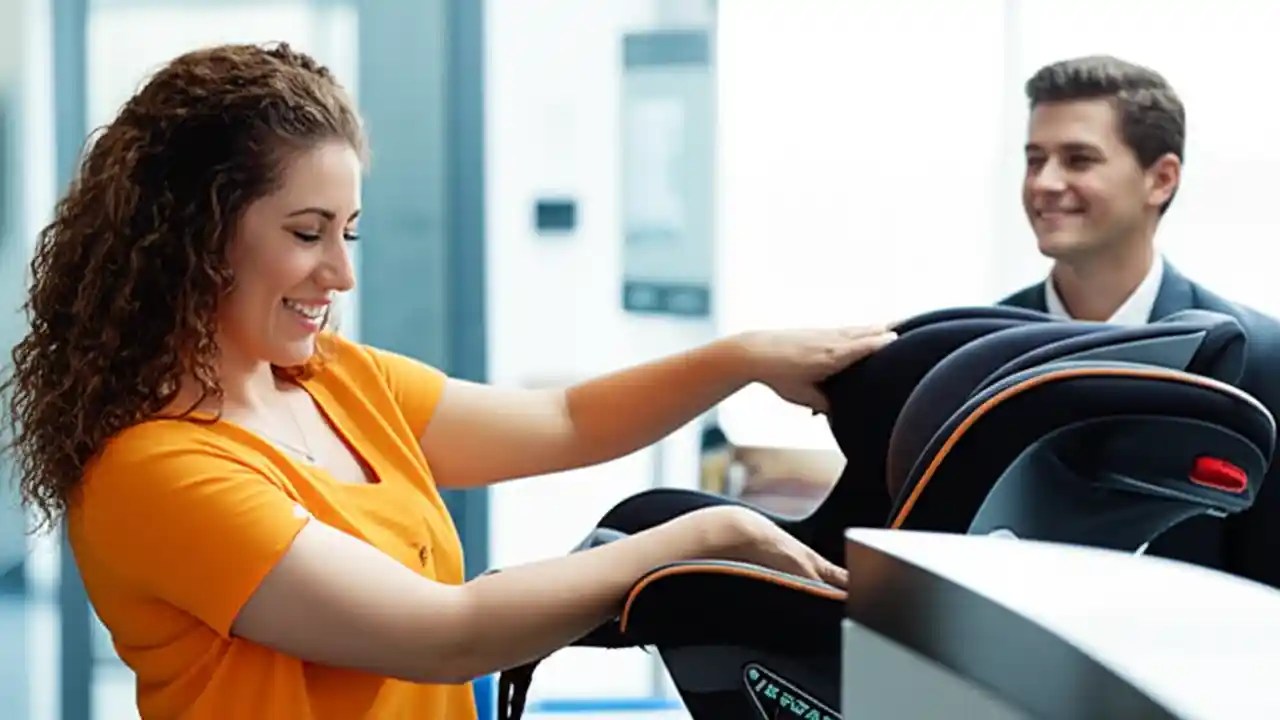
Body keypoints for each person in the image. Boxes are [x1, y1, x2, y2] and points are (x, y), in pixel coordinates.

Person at [0, 43, 896, 720]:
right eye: (307, 232)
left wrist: (742, 358)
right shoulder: (159, 474)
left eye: (348, 233)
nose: (339, 274)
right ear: (194, 236)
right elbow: (445, 634)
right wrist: (701, 536)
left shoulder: (333, 380)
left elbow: (565, 418)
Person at [999, 54, 1280, 588]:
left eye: (1078, 159)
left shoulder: (1264, 358)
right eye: (1035, 159)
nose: (1044, 183)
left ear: (1162, 179)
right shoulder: (973, 351)